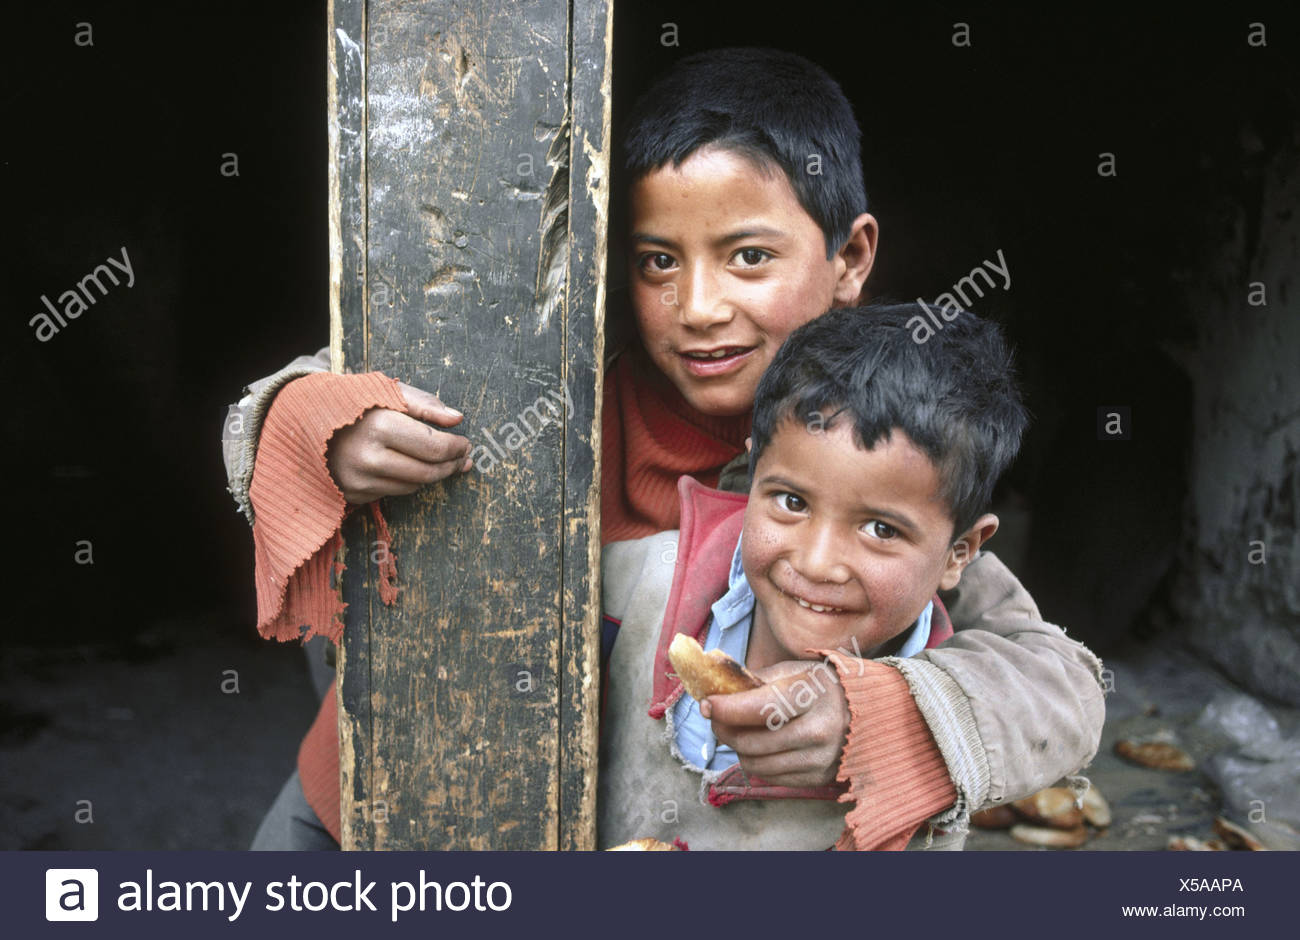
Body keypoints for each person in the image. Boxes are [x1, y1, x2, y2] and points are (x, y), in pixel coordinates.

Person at [227, 48, 1105, 850]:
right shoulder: (560, 382)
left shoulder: (876, 450)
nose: (696, 308)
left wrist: (890, 717)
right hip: (379, 794)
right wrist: (319, 423)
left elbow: (1058, 681)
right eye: (657, 262)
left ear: (851, 258)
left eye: (749, 257)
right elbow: (332, 388)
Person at [600, 303, 1100, 850]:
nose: (815, 562)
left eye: (881, 530)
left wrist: (890, 724)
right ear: (753, 473)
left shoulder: (965, 675)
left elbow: (1065, 693)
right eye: (791, 501)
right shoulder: (639, 585)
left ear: (961, 553)